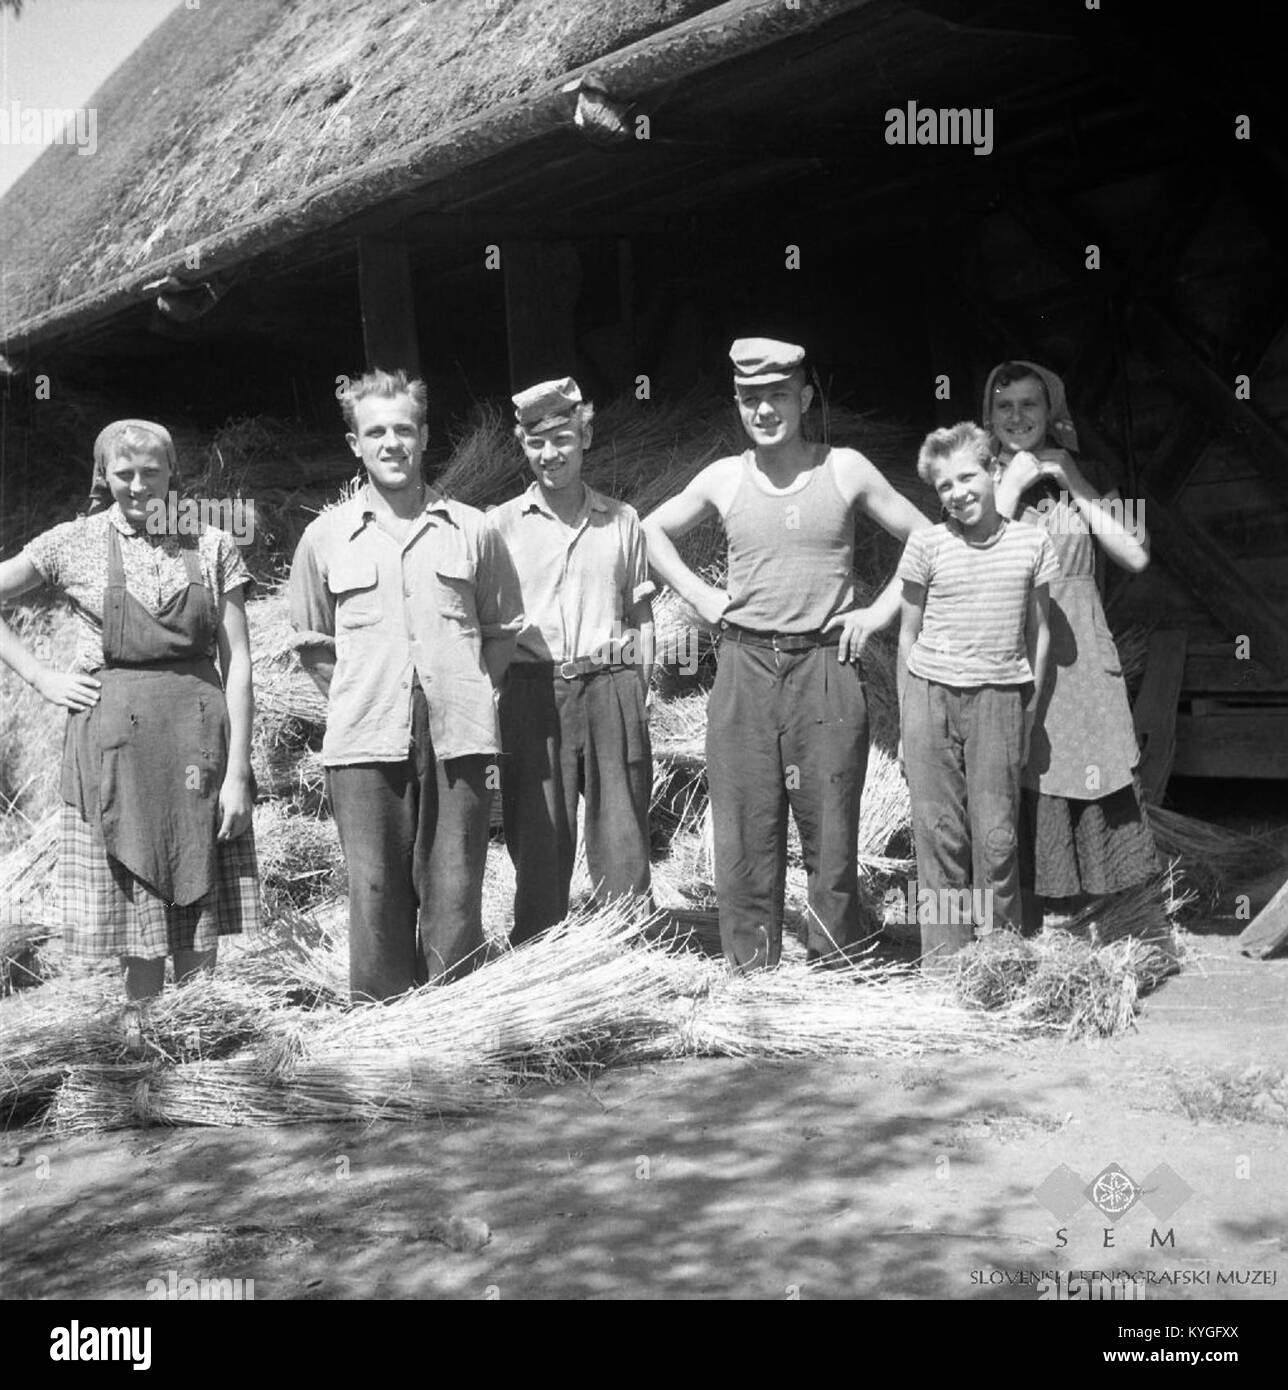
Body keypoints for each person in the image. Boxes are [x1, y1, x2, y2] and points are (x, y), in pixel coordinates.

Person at [643, 338, 932, 972]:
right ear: (738, 405)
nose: (765, 410)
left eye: (778, 396)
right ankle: (751, 967)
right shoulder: (724, 477)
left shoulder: (846, 469)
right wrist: (699, 594)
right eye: (751, 399)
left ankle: (835, 961)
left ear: (803, 399)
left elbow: (924, 536)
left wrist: (877, 614)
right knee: (745, 825)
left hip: (826, 667)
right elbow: (651, 531)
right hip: (744, 666)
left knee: (830, 822)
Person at [0, 419, 259, 1013]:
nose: (139, 487)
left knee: (198, 895)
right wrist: (42, 677)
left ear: (173, 474)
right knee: (138, 915)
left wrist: (239, 772)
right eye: (124, 473)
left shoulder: (212, 543)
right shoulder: (74, 541)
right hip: (116, 747)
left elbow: (238, 661)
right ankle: (142, 1047)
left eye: (152, 473)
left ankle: (198, 1037)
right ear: (103, 475)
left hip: (199, 743)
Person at [289, 369, 522, 1001]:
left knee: (454, 887)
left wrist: (467, 692)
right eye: (375, 432)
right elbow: (313, 645)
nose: (391, 443)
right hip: (364, 741)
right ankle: (382, 1036)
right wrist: (365, 697)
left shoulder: (473, 530)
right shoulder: (324, 537)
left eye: (403, 429)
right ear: (354, 446)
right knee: (374, 892)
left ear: (423, 437)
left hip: (459, 737)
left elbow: (502, 632)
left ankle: (457, 1024)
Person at [982, 360, 1160, 923]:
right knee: (1021, 769)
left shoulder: (1089, 473)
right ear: (990, 417)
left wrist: (1073, 483)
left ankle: (1100, 917)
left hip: (1080, 654)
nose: (1017, 417)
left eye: (1029, 405)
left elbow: (1134, 553)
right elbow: (966, 560)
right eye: (1004, 406)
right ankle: (1030, 917)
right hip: (1010, 646)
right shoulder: (976, 479)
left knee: (1091, 766)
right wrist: (1006, 490)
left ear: (1051, 412)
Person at [486, 377, 654, 942]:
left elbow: (642, 616)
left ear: (584, 436)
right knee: (539, 835)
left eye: (562, 438)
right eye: (536, 443)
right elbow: (483, 622)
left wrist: (641, 689)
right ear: (523, 446)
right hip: (534, 688)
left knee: (623, 836)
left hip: (611, 685)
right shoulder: (499, 526)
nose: (550, 454)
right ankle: (540, 954)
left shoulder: (622, 519)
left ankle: (626, 948)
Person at [897, 422, 1056, 966]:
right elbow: (906, 635)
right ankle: (945, 968)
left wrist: (1028, 712)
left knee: (997, 838)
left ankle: (999, 962)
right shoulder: (927, 544)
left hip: (999, 700)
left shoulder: (1032, 544)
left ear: (992, 471)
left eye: (968, 477)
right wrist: (906, 723)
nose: (958, 493)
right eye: (944, 486)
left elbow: (1040, 632)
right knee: (940, 835)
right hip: (931, 698)